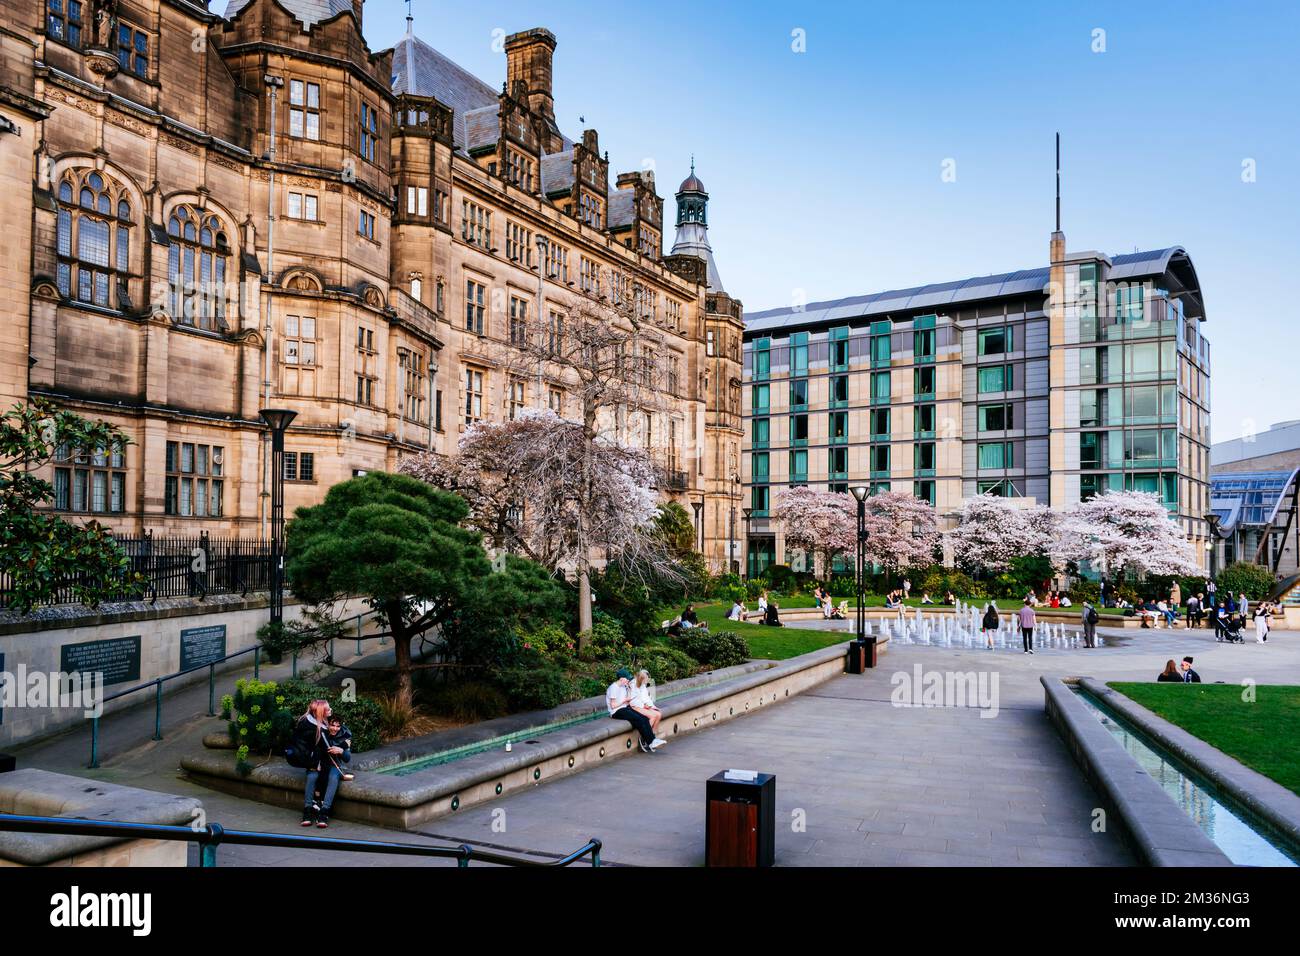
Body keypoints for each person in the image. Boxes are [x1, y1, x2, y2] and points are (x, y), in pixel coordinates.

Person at [292, 699, 344, 828]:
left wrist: (342, 750)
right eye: (328, 709)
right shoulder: (310, 727)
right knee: (312, 776)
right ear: (321, 713)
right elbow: (305, 749)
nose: (331, 710)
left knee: (333, 778)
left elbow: (346, 752)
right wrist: (315, 762)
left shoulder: (335, 723)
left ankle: (324, 811)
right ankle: (308, 810)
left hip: (333, 762)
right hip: (316, 762)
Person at [607, 668, 664, 752]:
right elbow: (613, 706)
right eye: (627, 679)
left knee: (644, 718)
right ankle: (650, 741)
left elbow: (629, 699)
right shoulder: (613, 688)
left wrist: (629, 690)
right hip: (616, 711)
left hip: (624, 708)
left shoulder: (624, 686)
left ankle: (652, 740)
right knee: (638, 719)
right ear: (621, 678)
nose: (628, 680)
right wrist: (625, 700)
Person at [629, 669, 664, 739]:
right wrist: (644, 706)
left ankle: (653, 736)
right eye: (646, 679)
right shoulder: (633, 685)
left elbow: (646, 698)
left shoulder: (642, 684)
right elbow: (632, 701)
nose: (647, 681)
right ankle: (644, 737)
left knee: (659, 714)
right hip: (635, 706)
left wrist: (652, 706)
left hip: (643, 706)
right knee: (653, 716)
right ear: (641, 678)